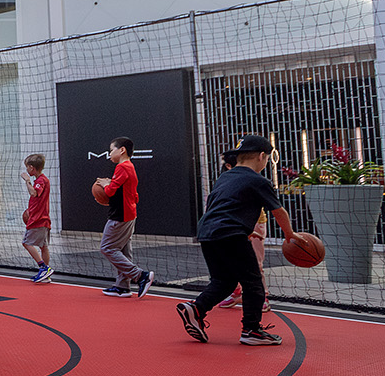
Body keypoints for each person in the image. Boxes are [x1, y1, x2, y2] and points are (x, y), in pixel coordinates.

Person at [177, 135, 296, 346]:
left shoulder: (225, 177)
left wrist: (245, 230)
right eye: (267, 158)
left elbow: (220, 206)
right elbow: (278, 211)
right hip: (229, 233)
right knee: (253, 282)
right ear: (262, 157)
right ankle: (251, 330)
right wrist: (290, 235)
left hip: (207, 232)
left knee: (224, 281)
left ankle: (196, 308)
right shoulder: (259, 180)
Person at [96, 136, 154, 298]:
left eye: (111, 150)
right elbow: (133, 194)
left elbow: (109, 192)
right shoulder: (130, 167)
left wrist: (105, 185)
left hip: (120, 215)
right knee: (123, 250)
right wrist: (110, 183)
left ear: (121, 150)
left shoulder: (122, 167)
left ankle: (140, 275)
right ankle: (122, 286)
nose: (109, 154)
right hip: (129, 213)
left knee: (107, 248)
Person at [215, 149, 271, 312]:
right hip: (233, 224)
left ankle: (263, 296)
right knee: (232, 261)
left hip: (254, 224)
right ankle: (237, 291)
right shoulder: (226, 180)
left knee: (255, 263)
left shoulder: (250, 179)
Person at [21, 153, 53, 283]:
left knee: (26, 243)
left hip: (38, 220)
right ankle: (45, 274)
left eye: (27, 167)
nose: (26, 170)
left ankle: (43, 267)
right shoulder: (41, 180)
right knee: (43, 247)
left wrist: (27, 180)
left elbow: (34, 192)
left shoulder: (41, 181)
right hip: (42, 219)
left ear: (31, 167)